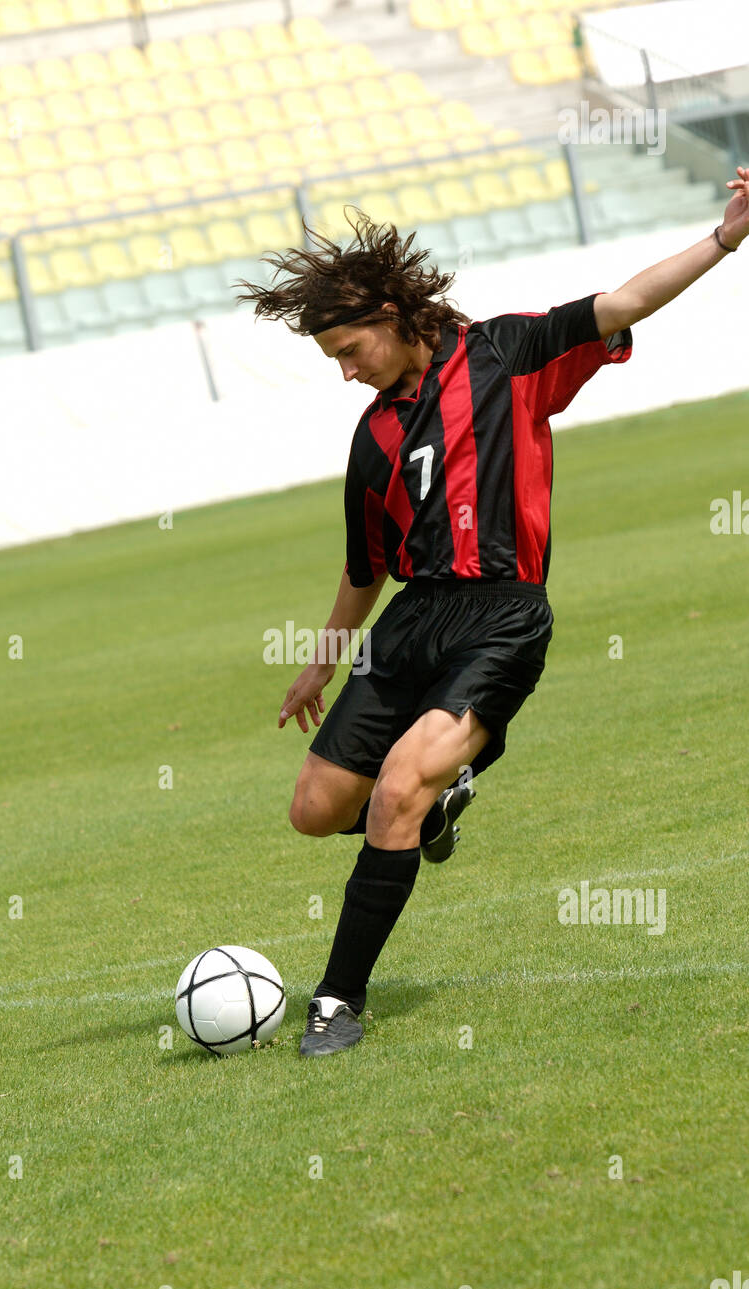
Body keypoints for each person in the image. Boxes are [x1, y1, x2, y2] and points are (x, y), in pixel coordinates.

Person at [234, 170, 748, 1057]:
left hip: (502, 618)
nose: (346, 372)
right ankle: (433, 809)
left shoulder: (508, 355)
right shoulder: (373, 437)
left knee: (395, 790)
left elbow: (626, 299)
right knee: (316, 808)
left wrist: (725, 237)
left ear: (392, 319)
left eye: (350, 351)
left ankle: (336, 1001)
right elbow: (365, 569)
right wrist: (319, 661)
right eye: (335, 361)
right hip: (408, 624)